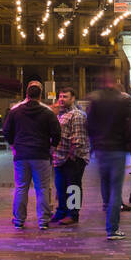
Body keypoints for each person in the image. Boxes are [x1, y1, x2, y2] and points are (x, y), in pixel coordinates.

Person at [1, 81, 60, 230]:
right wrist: (52, 148)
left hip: (21, 155)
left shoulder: (15, 111)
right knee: (43, 188)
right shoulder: (47, 112)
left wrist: (14, 145)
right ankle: (43, 221)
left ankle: (19, 220)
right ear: (40, 95)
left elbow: (6, 131)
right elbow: (56, 132)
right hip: (41, 154)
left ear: (26, 94)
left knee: (21, 187)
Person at [85, 73, 131, 240]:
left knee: (105, 182)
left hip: (101, 149)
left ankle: (107, 206)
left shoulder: (96, 100)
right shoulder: (122, 100)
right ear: (114, 82)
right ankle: (112, 228)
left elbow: (89, 124)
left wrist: (95, 143)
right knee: (116, 189)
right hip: (117, 148)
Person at [51, 87, 89, 226]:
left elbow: (78, 140)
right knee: (60, 188)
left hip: (73, 158)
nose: (61, 99)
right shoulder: (59, 114)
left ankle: (73, 214)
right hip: (59, 158)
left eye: (65, 96)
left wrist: (70, 157)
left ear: (73, 98)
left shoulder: (77, 115)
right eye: (60, 96)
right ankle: (61, 211)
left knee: (73, 188)